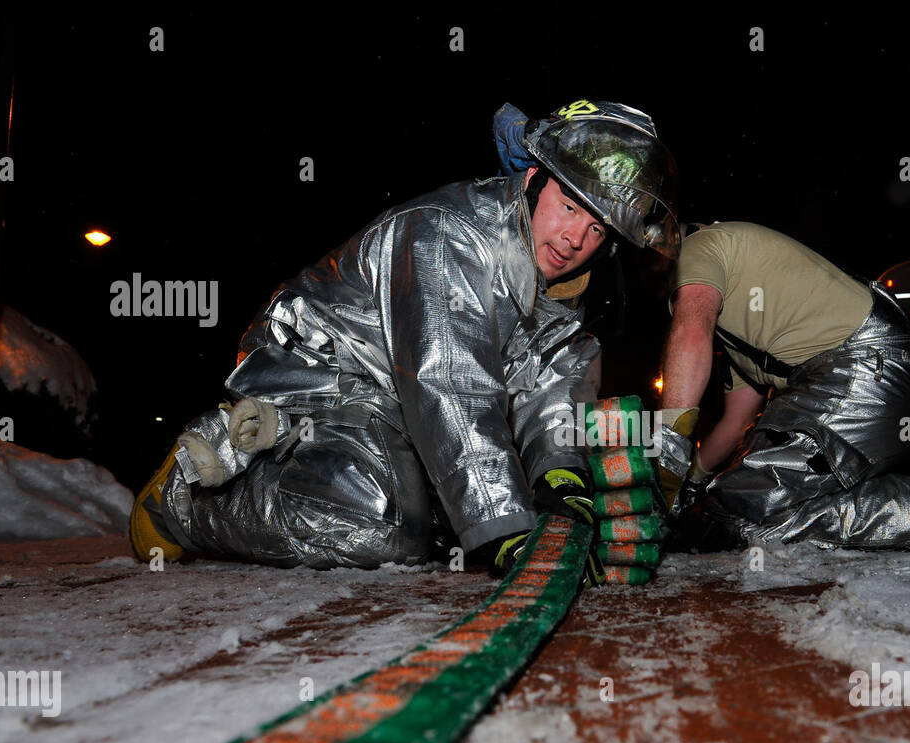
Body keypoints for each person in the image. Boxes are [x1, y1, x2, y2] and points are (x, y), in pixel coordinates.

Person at [129, 99, 680, 572]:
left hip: (400, 404)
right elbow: (450, 381)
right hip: (327, 374)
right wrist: (504, 530)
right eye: (569, 208)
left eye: (596, 229)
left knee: (441, 519)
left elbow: (552, 385)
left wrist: (562, 479)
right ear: (533, 182)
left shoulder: (558, 287)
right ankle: (189, 496)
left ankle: (371, 486)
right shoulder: (448, 236)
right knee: (384, 523)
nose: (575, 239)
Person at [652, 221, 910, 551]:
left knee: (735, 506)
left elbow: (690, 329)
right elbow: (735, 423)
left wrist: (667, 453)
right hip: (888, 378)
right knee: (735, 503)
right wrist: (692, 480)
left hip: (865, 369)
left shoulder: (696, 246)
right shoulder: (740, 336)